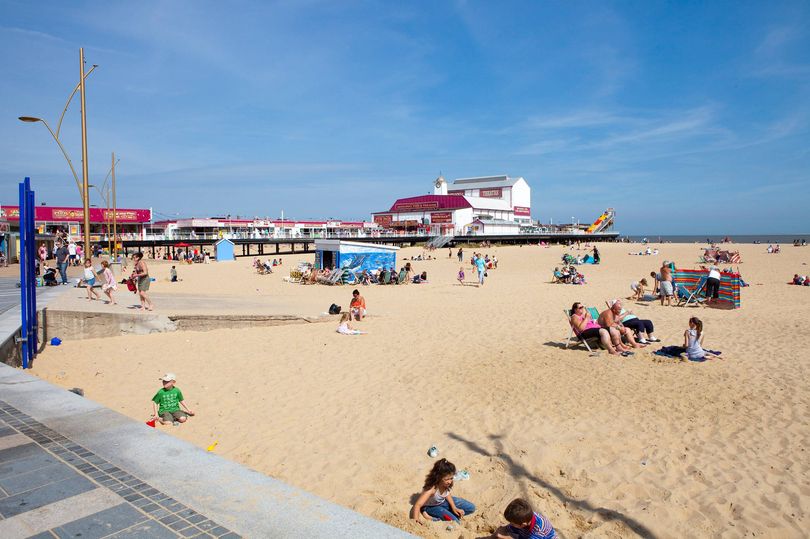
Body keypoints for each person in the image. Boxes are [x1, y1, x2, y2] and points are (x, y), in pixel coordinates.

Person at [410, 458, 475, 524]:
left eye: (451, 478)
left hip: (443, 502)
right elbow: (417, 505)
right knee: (456, 522)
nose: (449, 481)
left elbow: (447, 493)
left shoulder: (446, 483)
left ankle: (447, 513)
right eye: (446, 479)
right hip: (432, 507)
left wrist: (454, 507)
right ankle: (427, 514)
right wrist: (416, 520)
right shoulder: (431, 489)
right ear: (438, 477)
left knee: (471, 508)